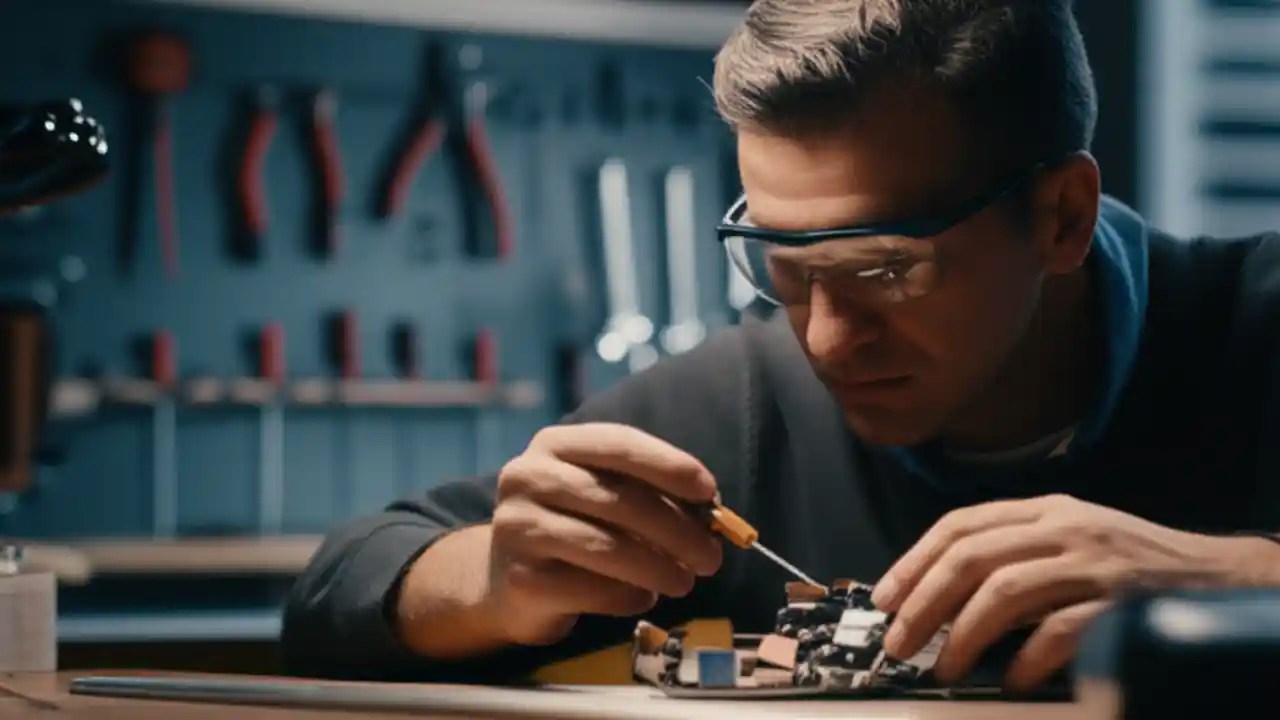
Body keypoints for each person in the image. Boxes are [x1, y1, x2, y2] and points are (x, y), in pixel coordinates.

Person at [281, 0, 1280, 693]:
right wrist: (491, 584)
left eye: (886, 268)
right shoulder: (738, 411)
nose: (827, 339)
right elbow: (337, 588)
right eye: (781, 265)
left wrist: (1241, 580)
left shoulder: (1255, 327)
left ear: (1059, 216)